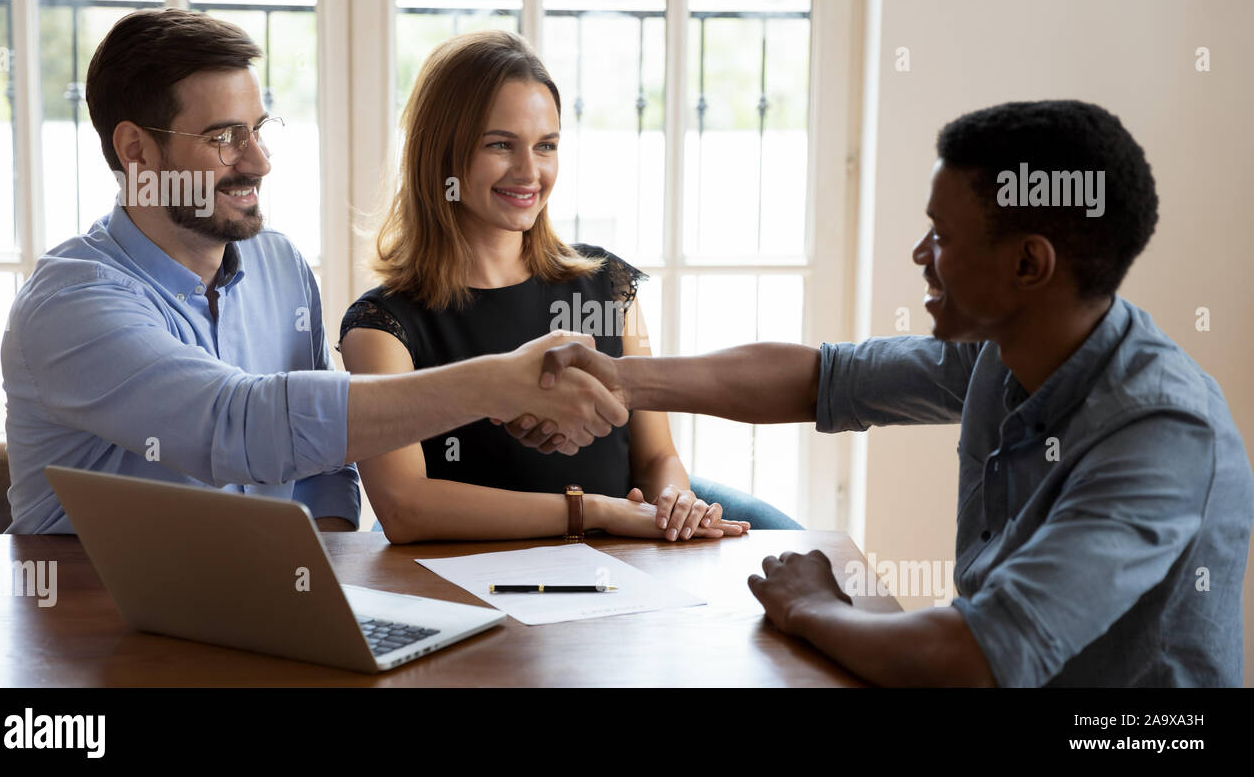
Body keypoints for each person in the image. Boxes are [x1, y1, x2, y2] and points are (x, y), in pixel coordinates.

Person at [525, 100, 1254, 687]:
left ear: (1029, 263)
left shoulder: (1161, 432)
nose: (919, 255)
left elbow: (976, 658)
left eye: (939, 234)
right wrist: (616, 376)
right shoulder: (1007, 349)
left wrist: (813, 605)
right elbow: (820, 378)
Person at [2, 9, 625, 535]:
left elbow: (327, 462)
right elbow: (238, 424)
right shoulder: (72, 302)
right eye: (225, 138)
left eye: (259, 130)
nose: (259, 161)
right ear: (135, 149)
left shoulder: (280, 266)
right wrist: (494, 385)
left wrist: (318, 580)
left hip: (264, 615)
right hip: (98, 630)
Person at [339, 30, 800, 543]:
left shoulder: (609, 286)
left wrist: (674, 500)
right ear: (441, 154)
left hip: (622, 578)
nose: (529, 171)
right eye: (500, 145)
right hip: (471, 593)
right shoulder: (383, 326)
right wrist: (594, 512)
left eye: (546, 146)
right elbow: (406, 509)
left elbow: (656, 456)